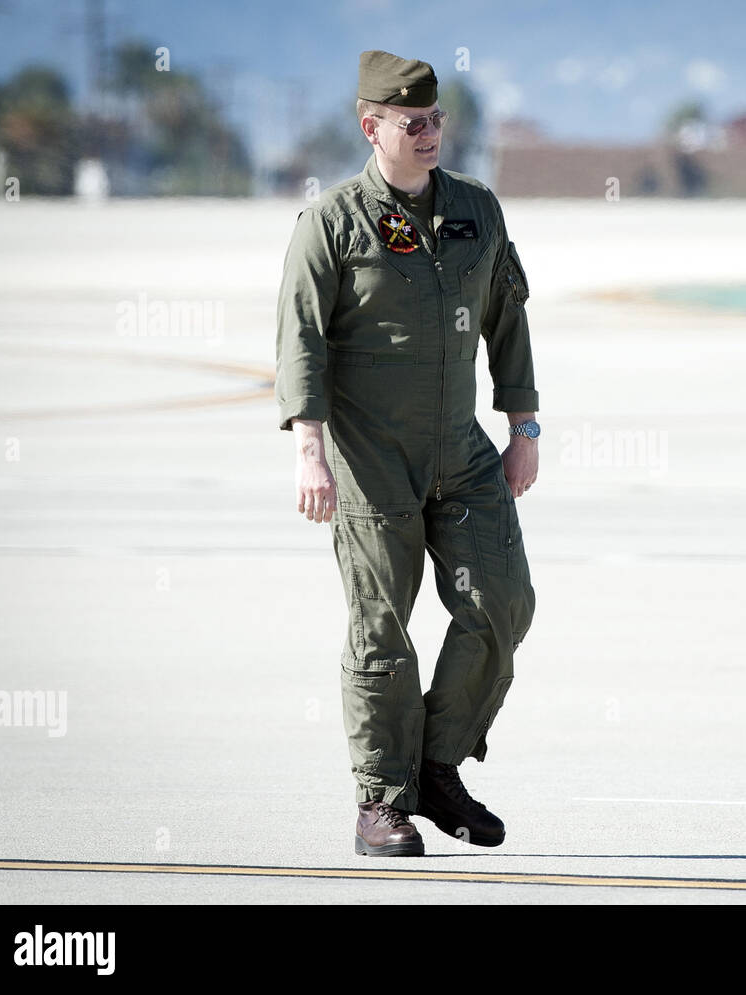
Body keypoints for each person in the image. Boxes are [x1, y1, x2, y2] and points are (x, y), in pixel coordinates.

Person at [275, 50, 540, 857]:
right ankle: (380, 800)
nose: (428, 135)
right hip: (369, 456)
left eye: (435, 121)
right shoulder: (332, 222)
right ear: (371, 126)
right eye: (411, 123)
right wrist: (309, 449)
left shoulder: (477, 211)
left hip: (459, 450)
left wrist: (522, 425)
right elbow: (302, 342)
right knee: (382, 627)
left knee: (503, 602)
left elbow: (508, 317)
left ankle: (435, 764)